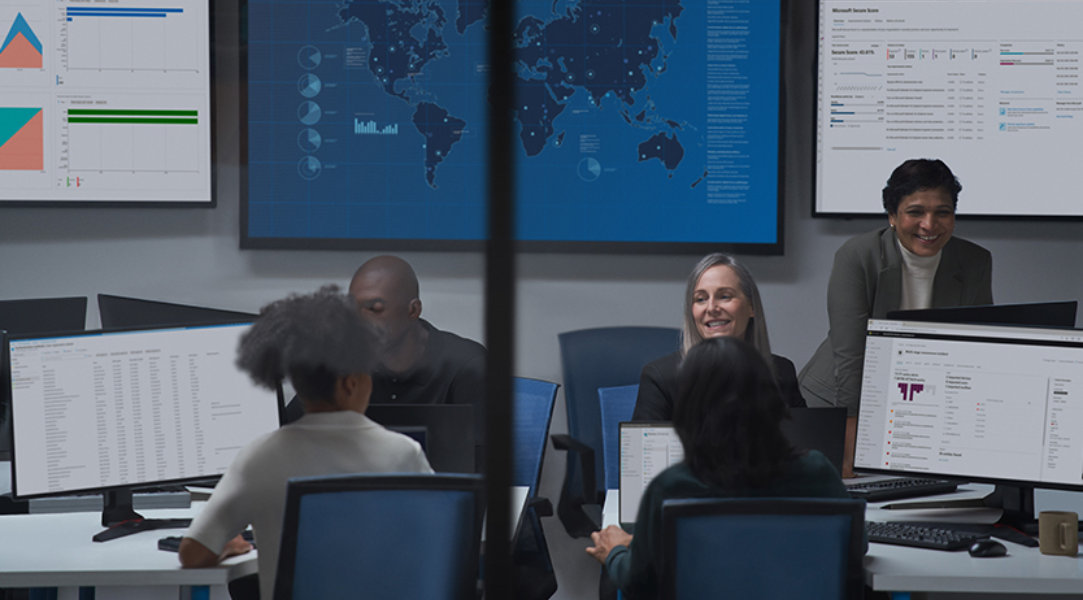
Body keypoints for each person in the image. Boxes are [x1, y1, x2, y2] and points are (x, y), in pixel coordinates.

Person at [178, 286, 433, 600]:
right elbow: (435, 543)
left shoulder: (259, 458)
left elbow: (192, 554)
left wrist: (227, 545)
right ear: (351, 383)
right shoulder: (402, 454)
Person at [587, 337, 851, 599]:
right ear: (771, 402)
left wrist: (616, 552)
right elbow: (853, 546)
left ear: (689, 410)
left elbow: (638, 581)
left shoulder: (672, 486)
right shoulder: (817, 471)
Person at [799, 158, 992, 476]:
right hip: (836, 404)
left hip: (912, 404)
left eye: (942, 212)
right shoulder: (858, 255)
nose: (929, 225)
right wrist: (851, 447)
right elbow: (850, 354)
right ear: (892, 216)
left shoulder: (975, 261)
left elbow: (975, 351)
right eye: (916, 212)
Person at [284, 255, 487, 468]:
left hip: (440, 496)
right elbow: (289, 437)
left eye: (374, 309)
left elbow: (484, 473)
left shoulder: (468, 367)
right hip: (354, 494)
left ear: (413, 310)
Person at [632, 253, 805, 422]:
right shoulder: (661, 378)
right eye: (700, 299)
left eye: (724, 296)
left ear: (751, 306)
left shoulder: (782, 372)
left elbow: (802, 444)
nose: (711, 308)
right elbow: (645, 450)